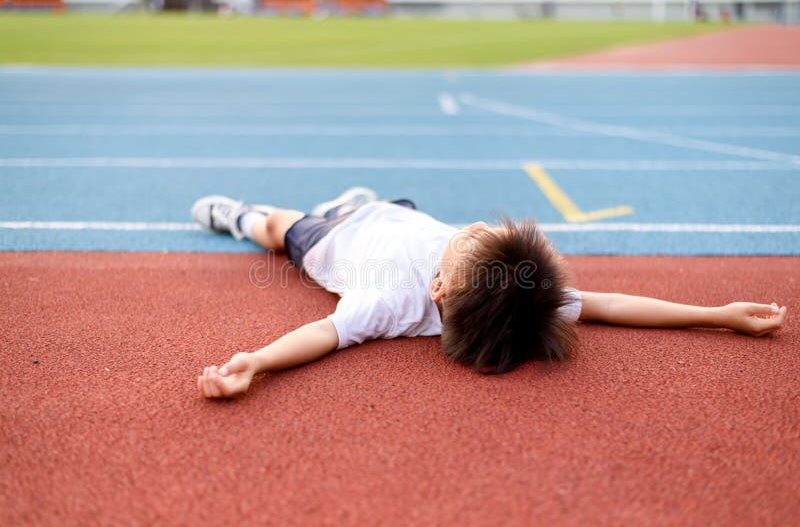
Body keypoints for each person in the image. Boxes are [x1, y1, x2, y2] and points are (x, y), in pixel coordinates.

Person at [191, 188, 788, 399]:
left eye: (474, 240)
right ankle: (350, 199)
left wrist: (258, 362)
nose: (479, 227)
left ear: (438, 289)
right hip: (398, 218)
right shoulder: (515, 285)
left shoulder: (384, 303)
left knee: (279, 228)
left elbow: (321, 334)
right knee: (399, 204)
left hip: (337, 241)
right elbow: (608, 304)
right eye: (490, 233)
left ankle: (237, 215)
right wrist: (717, 315)